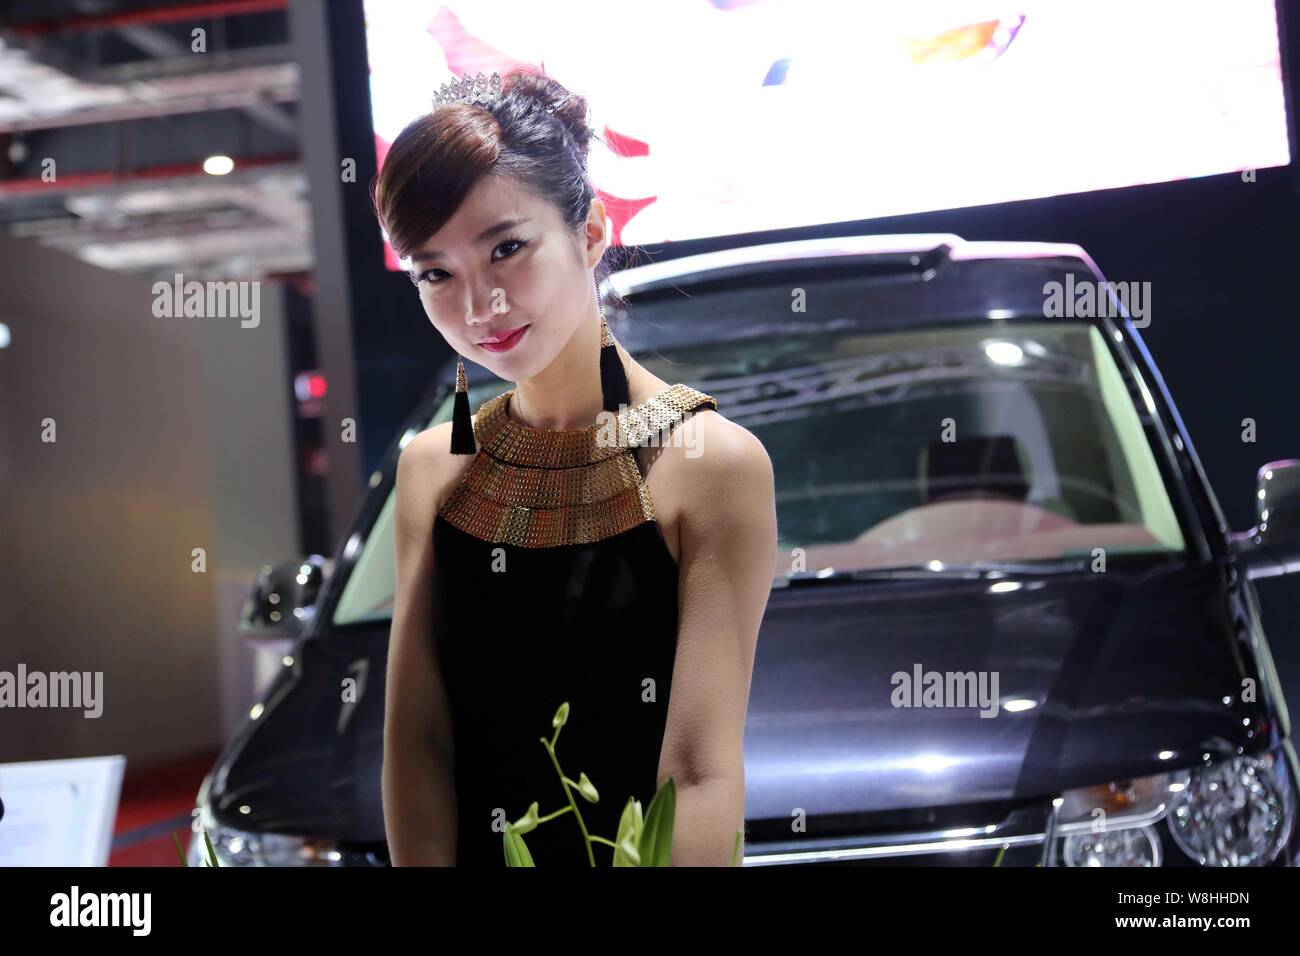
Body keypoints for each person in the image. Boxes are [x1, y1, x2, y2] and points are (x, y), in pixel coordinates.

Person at [373, 68, 777, 867]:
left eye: (507, 249)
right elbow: (416, 743)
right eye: (436, 273)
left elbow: (700, 774)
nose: (479, 305)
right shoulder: (430, 468)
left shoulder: (711, 464)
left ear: (590, 232)